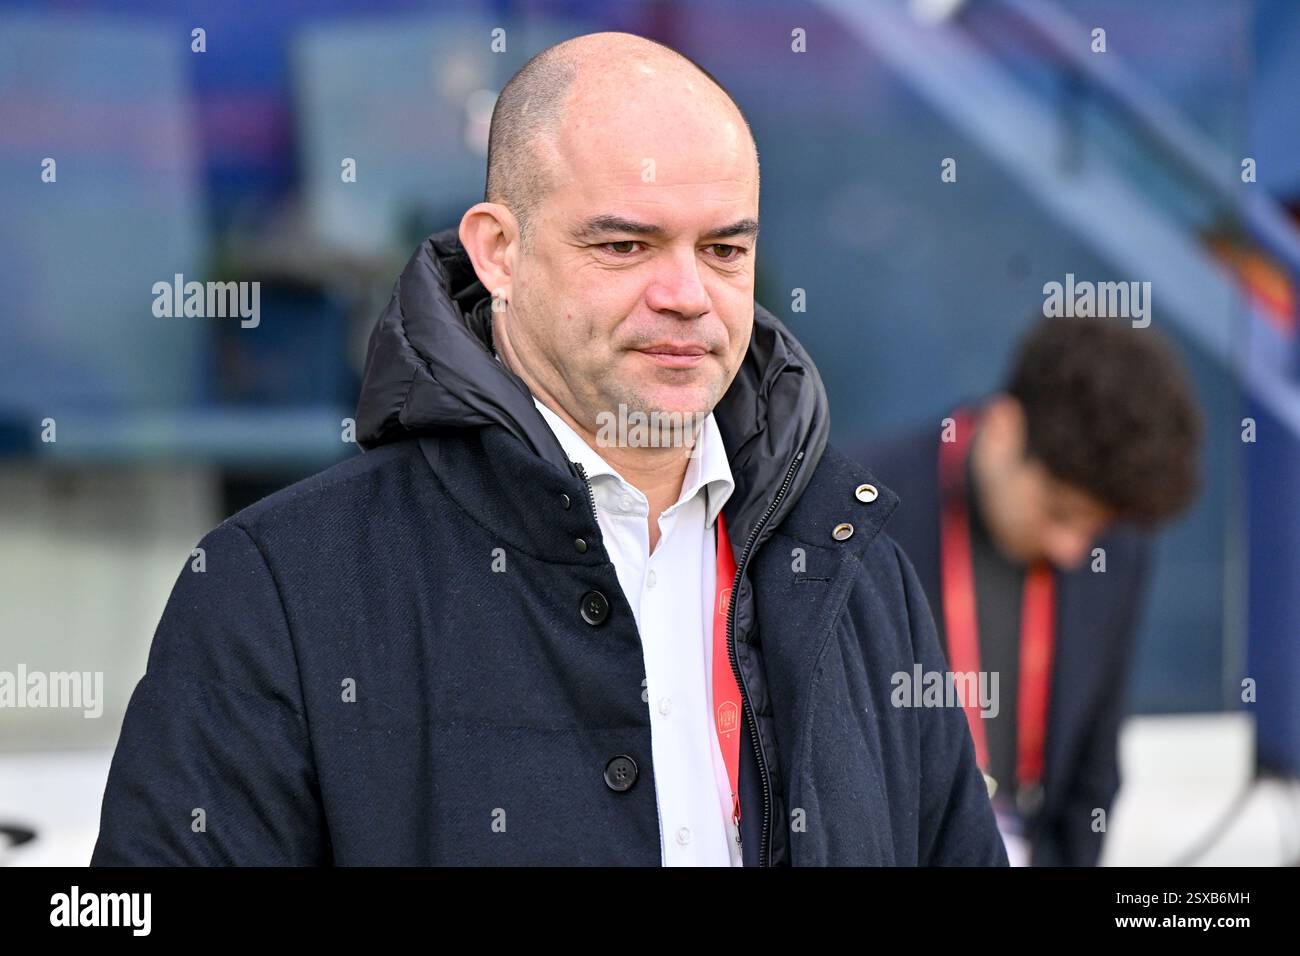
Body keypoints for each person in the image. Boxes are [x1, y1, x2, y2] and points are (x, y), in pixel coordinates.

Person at [91, 31, 1006, 866]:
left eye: (725, 250)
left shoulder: (858, 566)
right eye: (626, 244)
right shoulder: (279, 590)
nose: (687, 294)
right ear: (497, 252)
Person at [855, 316, 1202, 866]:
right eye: (1059, 512)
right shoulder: (860, 511)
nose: (1071, 548)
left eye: (1093, 528)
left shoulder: (1117, 550)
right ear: (1003, 430)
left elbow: (1094, 768)